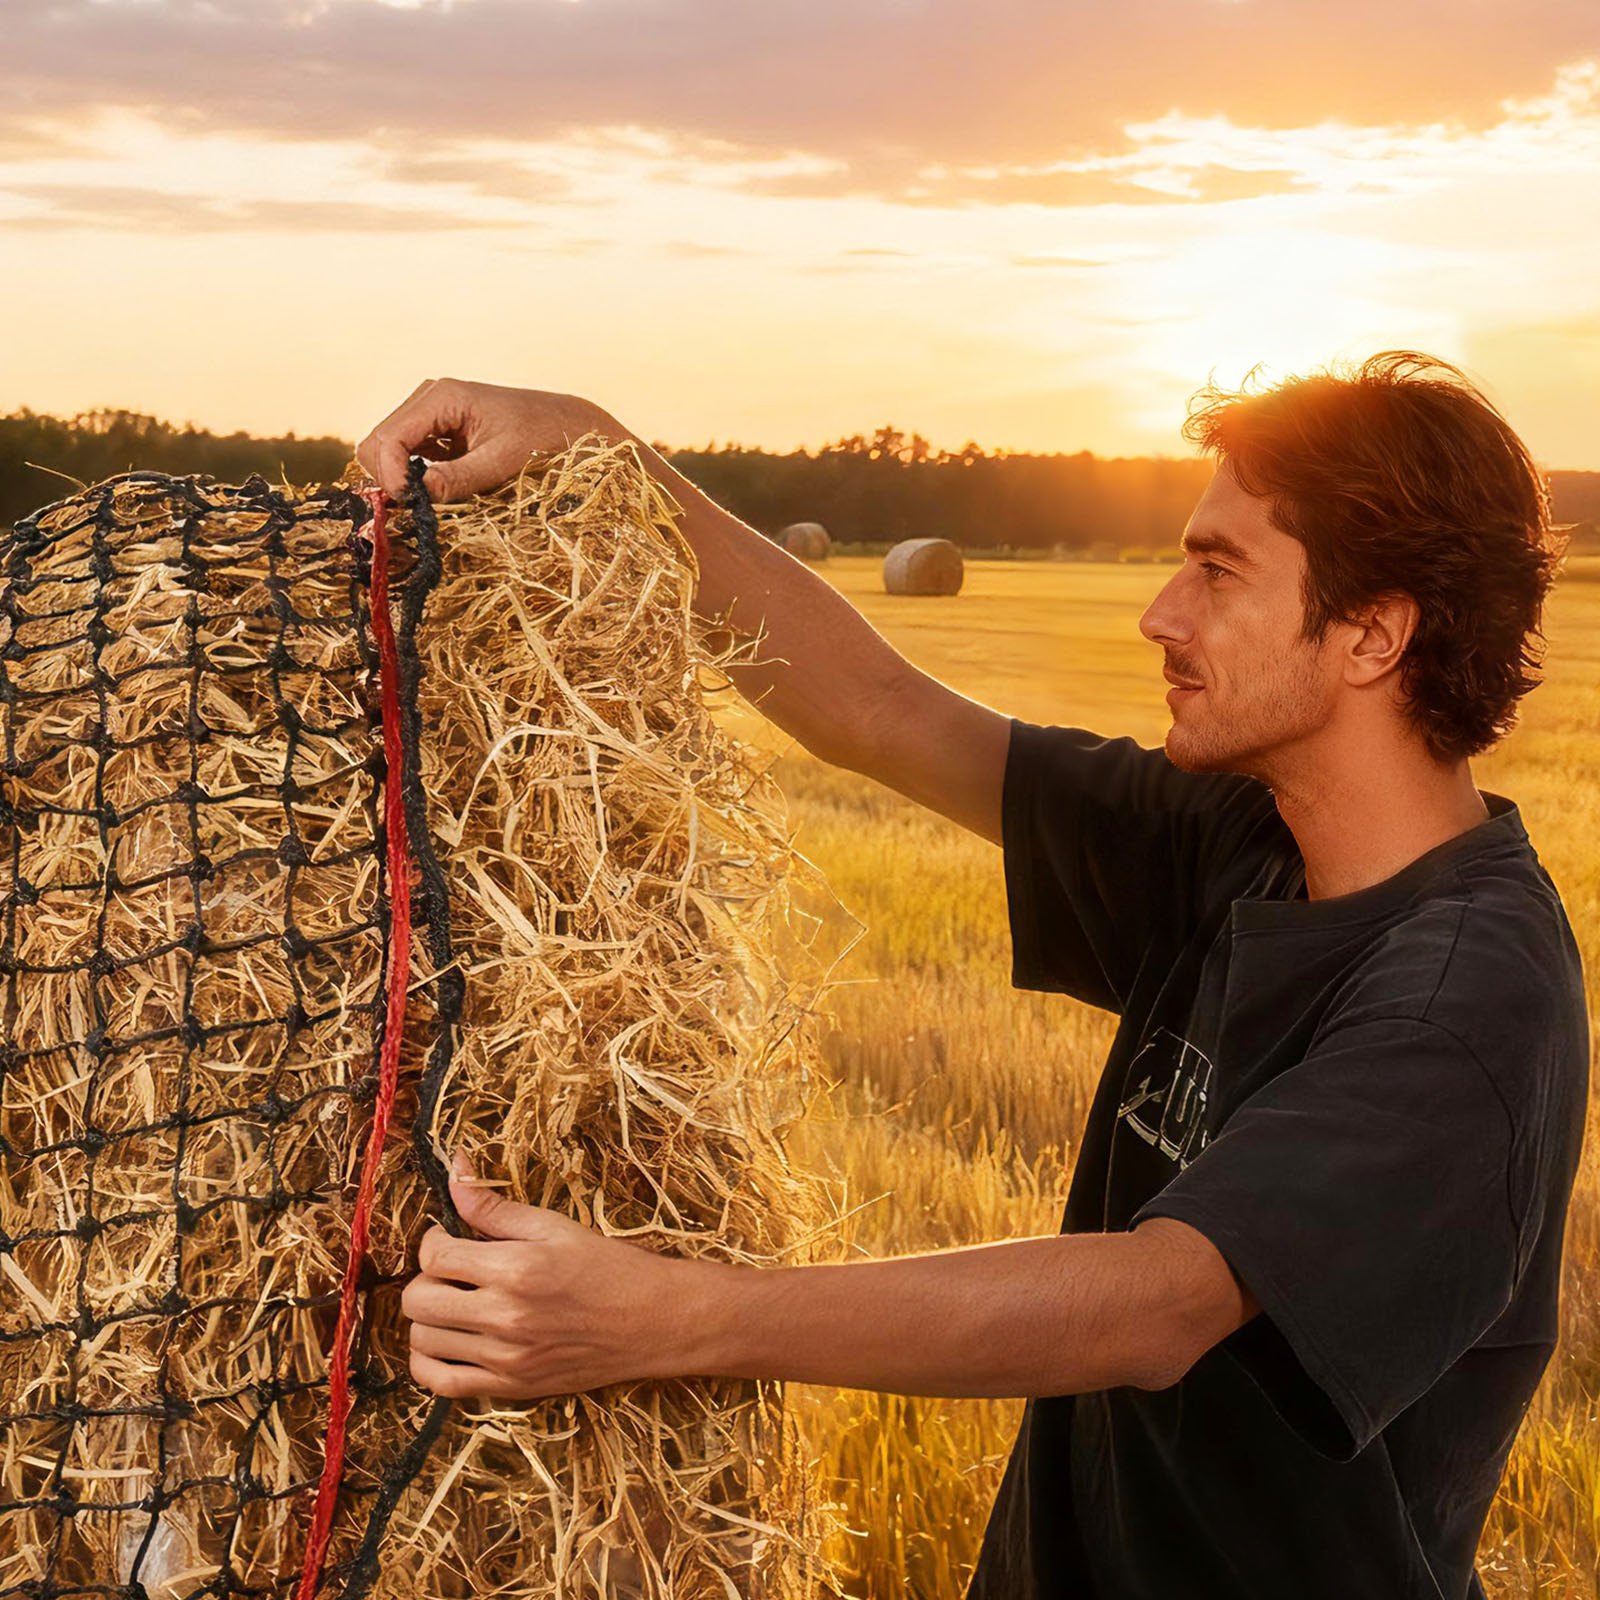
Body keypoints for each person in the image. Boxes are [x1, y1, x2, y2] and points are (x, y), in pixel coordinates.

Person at [356, 353, 1590, 1599]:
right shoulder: (1242, 837)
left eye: (1218, 571)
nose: (1161, 613)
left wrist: (665, 1315)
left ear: (1374, 632)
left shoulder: (1463, 1001)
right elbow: (884, 711)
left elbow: (1156, 1304)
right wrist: (591, 443)